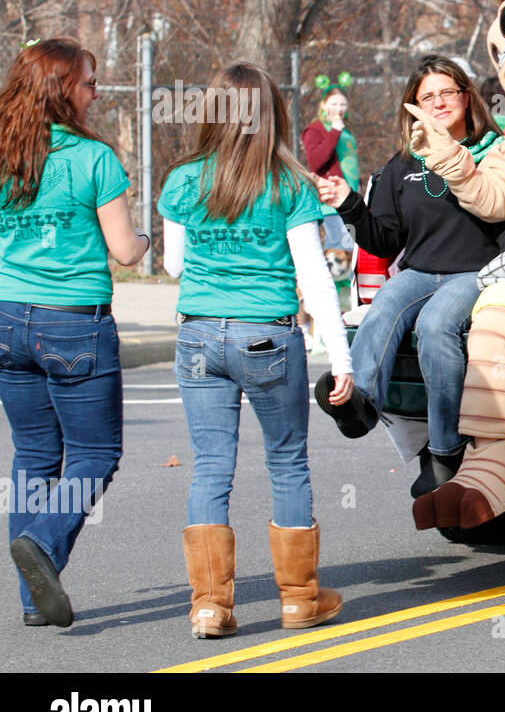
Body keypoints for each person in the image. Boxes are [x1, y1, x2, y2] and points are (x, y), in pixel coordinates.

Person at [159, 63, 352, 638]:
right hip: (266, 335)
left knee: (211, 467)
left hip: (197, 334)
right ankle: (298, 598)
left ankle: (210, 605)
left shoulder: (183, 179)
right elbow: (315, 277)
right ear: (272, 113)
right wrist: (340, 357)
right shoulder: (288, 182)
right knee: (287, 460)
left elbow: (173, 265)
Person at [313, 54, 505, 499]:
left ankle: (445, 450)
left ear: (466, 97)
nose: (440, 102)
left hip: (475, 274)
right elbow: (384, 241)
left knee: (435, 325)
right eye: (428, 97)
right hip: (421, 272)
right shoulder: (401, 165)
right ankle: (360, 401)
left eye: (448, 92)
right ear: (415, 108)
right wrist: (349, 202)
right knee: (385, 303)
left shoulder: (496, 150)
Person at [0, 38, 149, 628]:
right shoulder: (94, 158)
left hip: (7, 317)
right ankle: (44, 541)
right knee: (95, 454)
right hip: (72, 324)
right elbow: (124, 251)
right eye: (89, 82)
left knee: (33, 456)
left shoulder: (5, 151)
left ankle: (33, 599)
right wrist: (144, 243)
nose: (97, 91)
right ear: (63, 88)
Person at [302, 73, 358, 251]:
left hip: (350, 199)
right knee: (338, 249)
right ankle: (336, 280)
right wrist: (334, 132)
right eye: (334, 104)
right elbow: (315, 162)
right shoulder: (316, 130)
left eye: (343, 104)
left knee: (351, 248)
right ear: (324, 105)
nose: (339, 108)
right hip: (331, 202)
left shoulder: (345, 130)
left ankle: (346, 280)